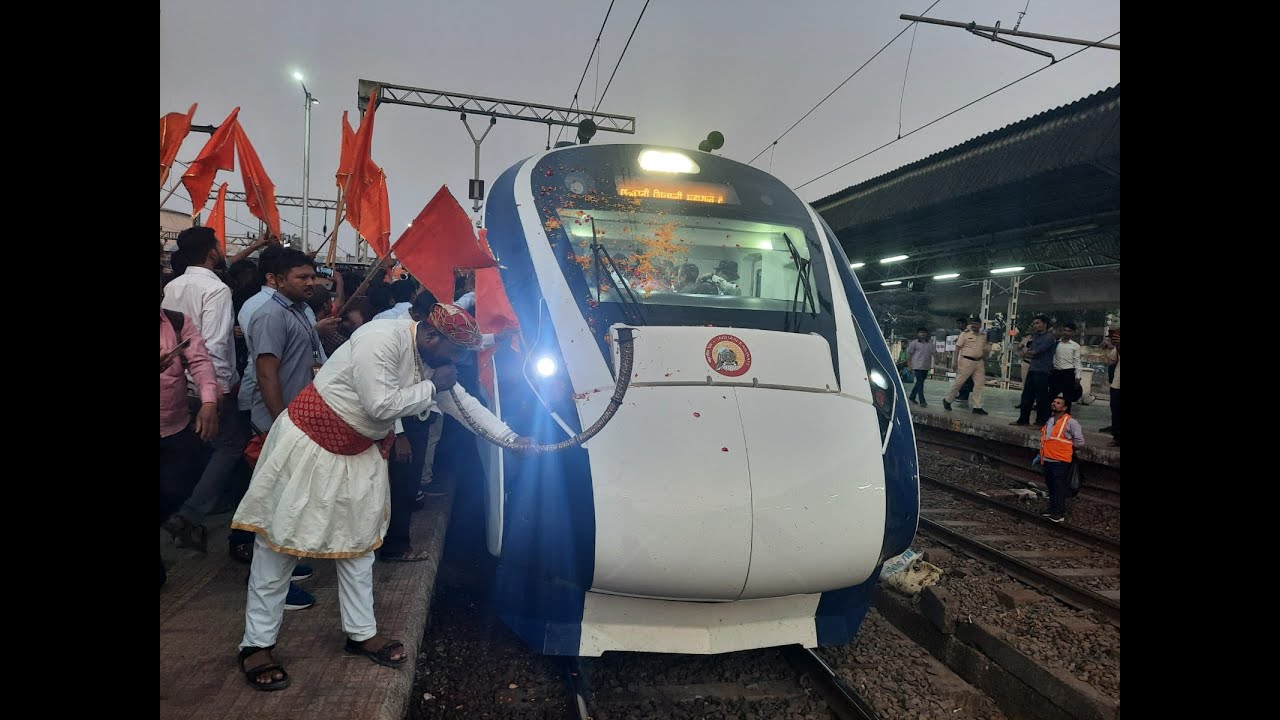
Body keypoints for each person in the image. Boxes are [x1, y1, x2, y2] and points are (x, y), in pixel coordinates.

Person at [230, 304, 531, 691]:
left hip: (357, 451)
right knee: (278, 545)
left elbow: (462, 404)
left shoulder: (433, 360)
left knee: (359, 547)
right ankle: (256, 644)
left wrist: (510, 438)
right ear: (430, 336)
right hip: (309, 443)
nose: (457, 362)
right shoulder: (380, 339)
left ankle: (360, 634)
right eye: (455, 352)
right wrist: (432, 387)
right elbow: (380, 404)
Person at [1038, 395, 1085, 522]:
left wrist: (1068, 449)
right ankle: (1052, 508)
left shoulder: (1071, 422)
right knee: (1051, 485)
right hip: (1047, 459)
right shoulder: (1050, 421)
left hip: (1060, 461)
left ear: (1064, 408)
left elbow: (1080, 442)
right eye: (1054, 401)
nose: (1054, 404)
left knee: (1059, 486)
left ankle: (1059, 512)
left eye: (1058, 403)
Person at [1011, 315, 1056, 427]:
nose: (1035, 325)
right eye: (1034, 323)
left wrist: (1026, 351)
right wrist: (1027, 352)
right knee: (1027, 395)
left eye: (1037, 323)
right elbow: (1029, 352)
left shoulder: (1049, 337)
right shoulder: (1035, 336)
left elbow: (1035, 352)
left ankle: (1041, 421)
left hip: (1042, 370)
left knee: (1041, 397)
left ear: (1044, 324)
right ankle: (1023, 419)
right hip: (1033, 368)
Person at [943, 318, 989, 415]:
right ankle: (948, 400)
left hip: (979, 362)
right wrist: (955, 362)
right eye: (973, 324)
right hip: (966, 361)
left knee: (979, 385)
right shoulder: (965, 334)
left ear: (980, 325)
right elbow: (957, 348)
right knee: (959, 382)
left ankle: (977, 407)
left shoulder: (983, 336)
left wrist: (985, 361)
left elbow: (984, 349)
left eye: (976, 324)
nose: (974, 326)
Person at [1049, 322, 1083, 410]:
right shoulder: (1056, 343)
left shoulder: (1075, 346)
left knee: (1067, 399)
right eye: (1065, 330)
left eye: (1069, 331)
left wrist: (1078, 376)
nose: (1066, 332)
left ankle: (1066, 417)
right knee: (1051, 397)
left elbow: (1077, 361)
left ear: (1073, 333)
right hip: (1056, 372)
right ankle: (1048, 416)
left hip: (1068, 373)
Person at [905, 328, 935, 407]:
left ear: (927, 334)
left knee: (919, 382)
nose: (923, 334)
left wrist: (937, 360)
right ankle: (922, 401)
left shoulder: (930, 344)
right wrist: (909, 365)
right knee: (920, 382)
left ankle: (912, 396)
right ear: (918, 334)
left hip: (926, 366)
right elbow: (909, 354)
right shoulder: (914, 343)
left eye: (924, 332)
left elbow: (934, 353)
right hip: (917, 366)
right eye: (921, 332)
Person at [953, 318, 974, 405]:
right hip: (961, 359)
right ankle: (962, 395)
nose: (958, 325)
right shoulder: (962, 333)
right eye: (958, 324)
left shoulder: (968, 332)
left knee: (965, 379)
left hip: (968, 360)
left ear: (965, 323)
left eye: (960, 323)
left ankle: (964, 396)